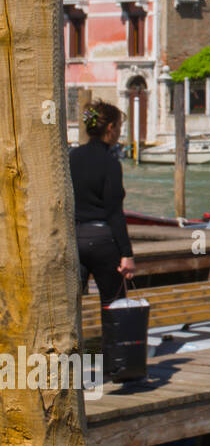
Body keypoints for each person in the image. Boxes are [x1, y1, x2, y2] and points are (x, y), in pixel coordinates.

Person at [70, 100, 135, 307]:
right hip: (103, 241)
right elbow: (115, 212)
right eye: (119, 127)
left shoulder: (71, 157)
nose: (119, 132)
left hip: (75, 239)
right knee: (113, 304)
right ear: (110, 128)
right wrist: (127, 254)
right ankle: (113, 339)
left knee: (72, 305)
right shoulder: (111, 164)